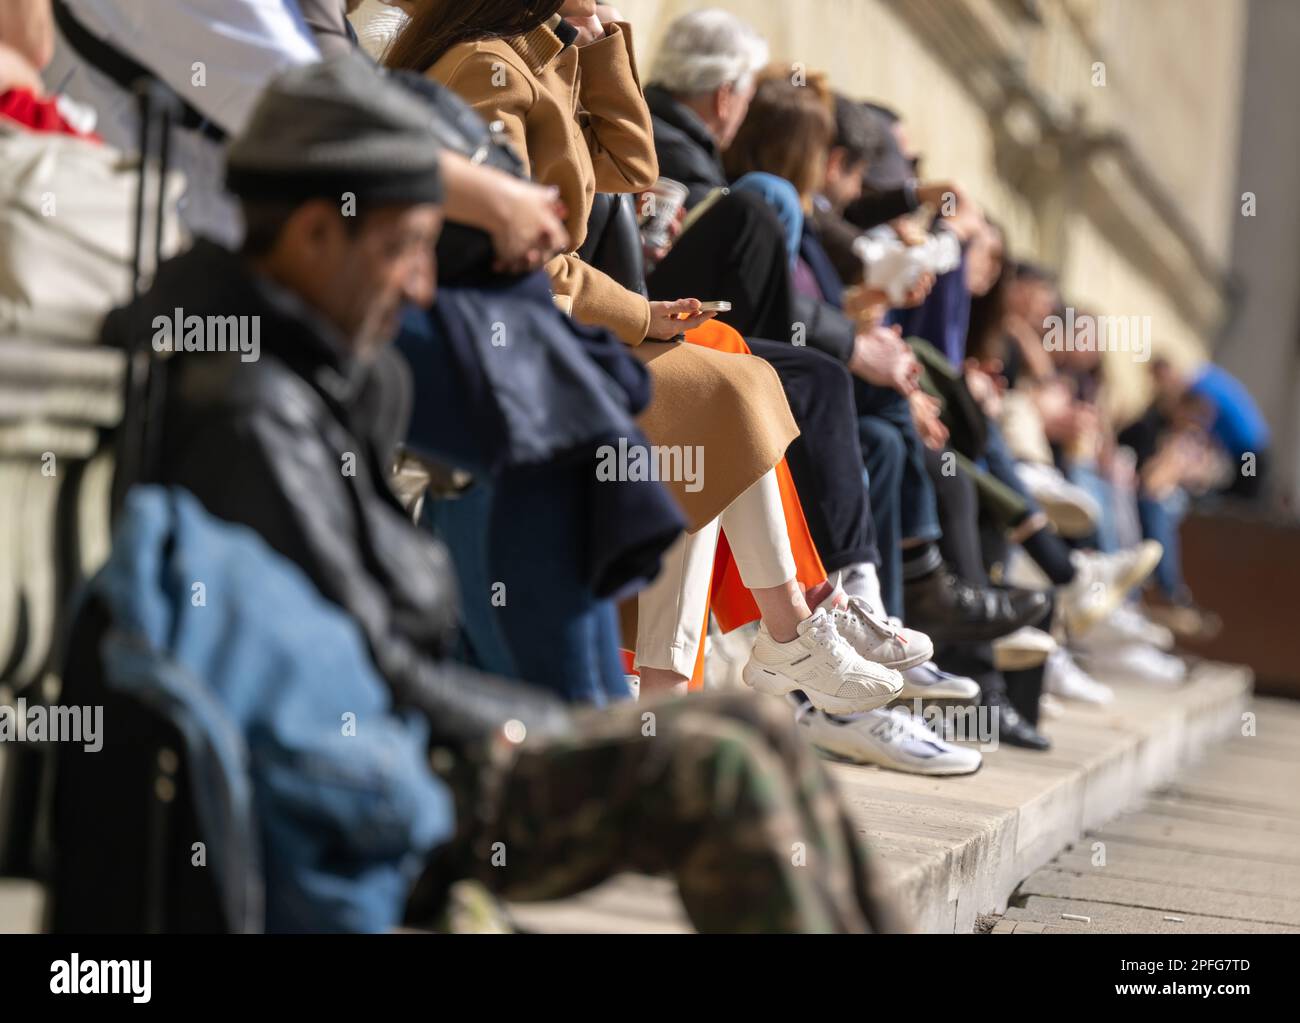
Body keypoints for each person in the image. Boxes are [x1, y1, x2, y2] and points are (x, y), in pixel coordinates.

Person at [100, 54, 904, 933]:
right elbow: (373, 667)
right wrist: (541, 730)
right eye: (405, 250)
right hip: (390, 783)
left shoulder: (319, 369)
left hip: (416, 743)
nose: (418, 286)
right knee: (720, 765)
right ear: (312, 232)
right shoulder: (252, 406)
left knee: (758, 735)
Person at [395, 0, 909, 710]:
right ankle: (779, 630)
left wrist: (602, 46)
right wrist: (637, 314)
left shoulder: (535, 61)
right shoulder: (490, 69)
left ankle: (701, 672)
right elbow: (516, 258)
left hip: (549, 323)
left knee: (720, 394)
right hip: (500, 331)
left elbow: (631, 166)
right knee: (719, 393)